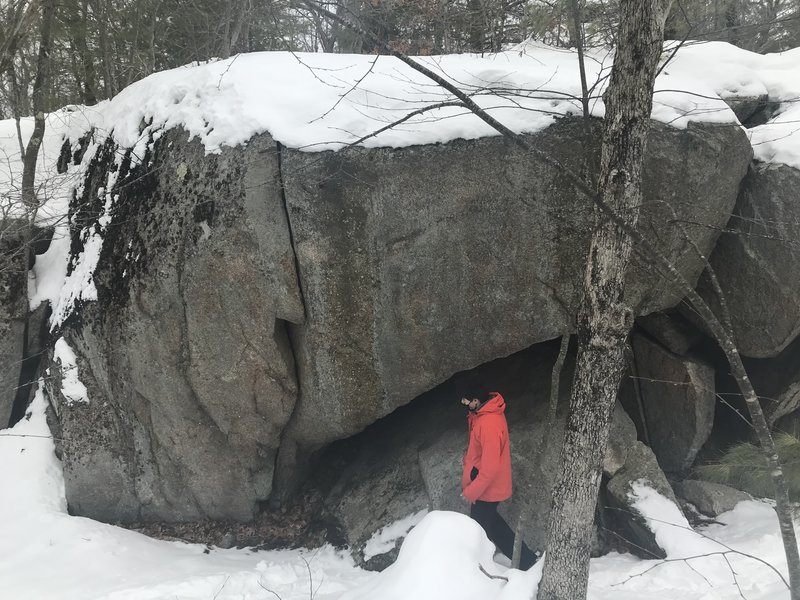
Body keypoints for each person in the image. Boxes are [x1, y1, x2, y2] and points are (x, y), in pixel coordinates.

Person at [461, 391, 538, 569]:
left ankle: (475, 570)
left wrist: (471, 491)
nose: (466, 406)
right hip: (484, 484)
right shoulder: (481, 415)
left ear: (476, 399)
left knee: (478, 530)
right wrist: (468, 461)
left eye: (467, 402)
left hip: (487, 487)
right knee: (494, 526)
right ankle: (527, 561)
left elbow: (490, 467)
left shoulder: (488, 423)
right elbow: (481, 451)